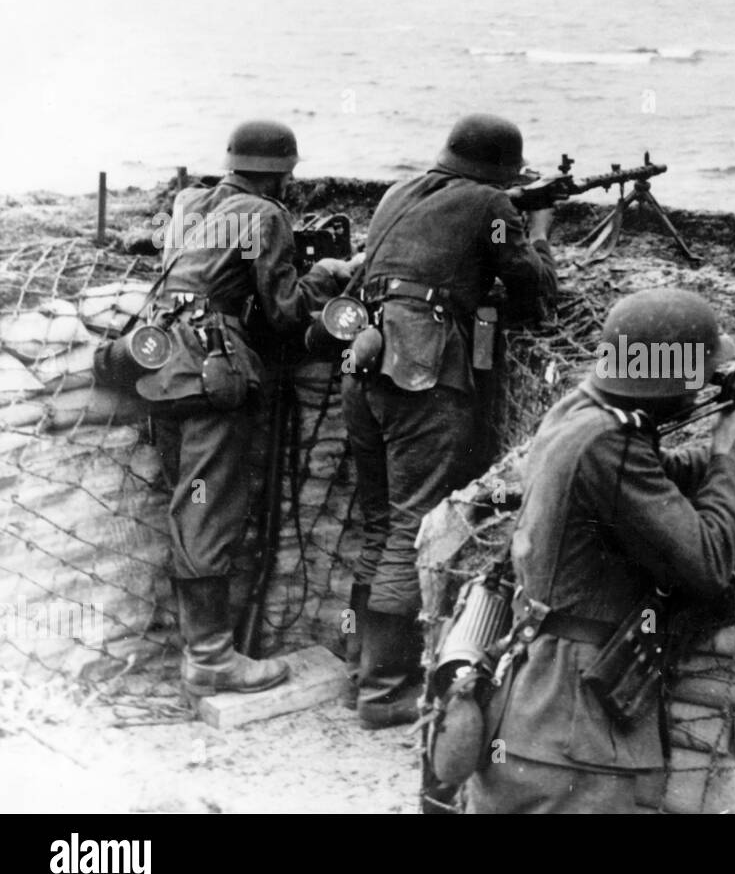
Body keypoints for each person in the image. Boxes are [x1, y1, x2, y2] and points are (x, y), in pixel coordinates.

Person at [464, 287, 735, 813]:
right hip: (575, 735)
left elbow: (662, 480)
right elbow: (707, 563)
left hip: (533, 712)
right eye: (702, 375)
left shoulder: (585, 416)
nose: (706, 387)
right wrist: (727, 454)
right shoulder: (609, 444)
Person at [343, 113, 558, 729]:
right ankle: (384, 693)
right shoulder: (492, 202)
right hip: (420, 370)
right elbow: (534, 287)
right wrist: (537, 230)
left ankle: (360, 669)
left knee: (380, 518)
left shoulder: (397, 192)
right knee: (413, 521)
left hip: (367, 360)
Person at [146, 119, 360, 703]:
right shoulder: (266, 215)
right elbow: (287, 311)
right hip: (210, 366)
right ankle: (212, 659)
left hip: (160, 360)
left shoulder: (191, 201)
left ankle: (203, 650)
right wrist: (325, 275)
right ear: (281, 174)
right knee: (209, 504)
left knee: (186, 498)